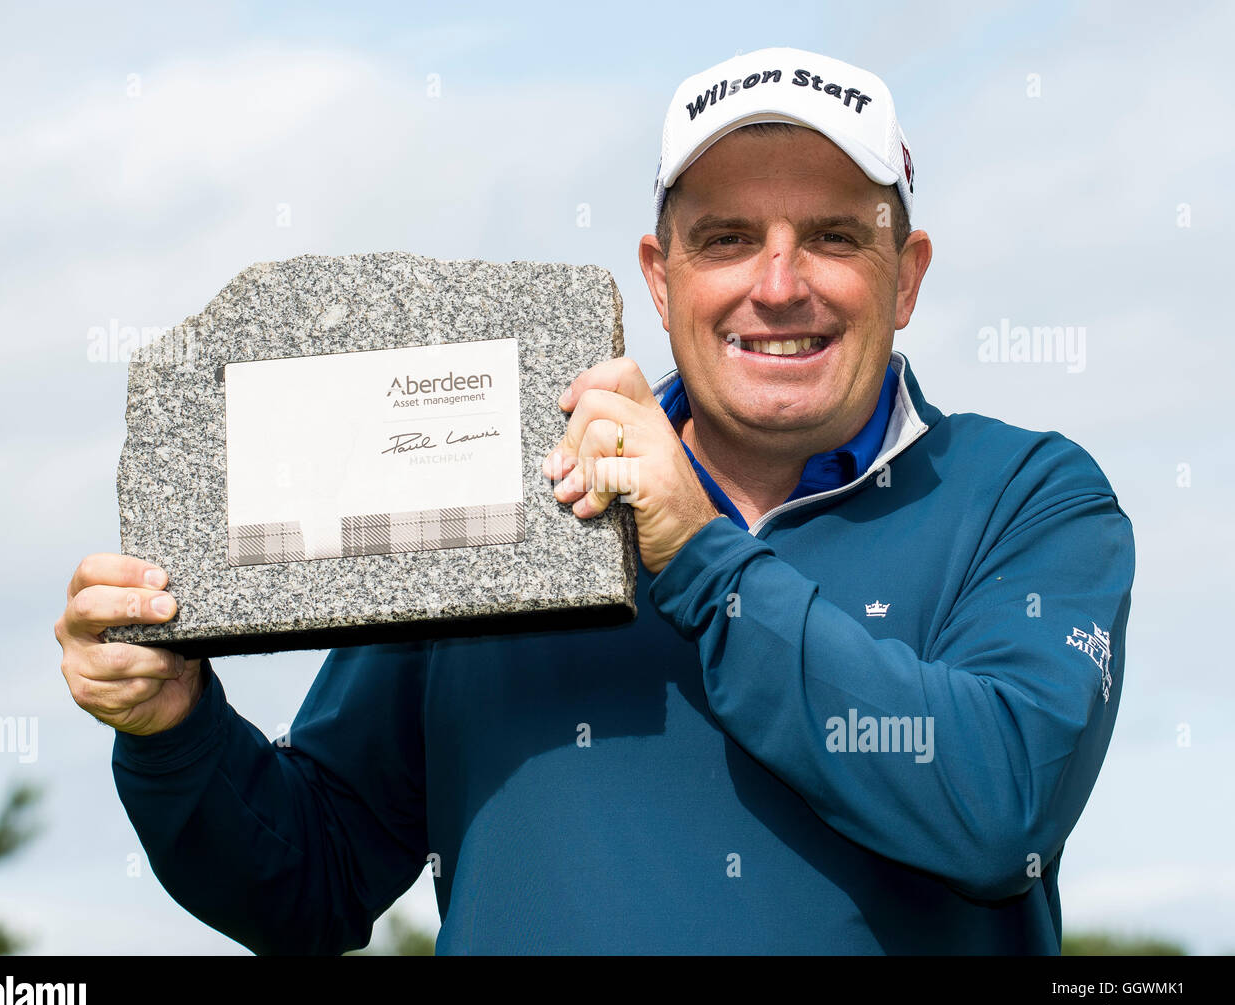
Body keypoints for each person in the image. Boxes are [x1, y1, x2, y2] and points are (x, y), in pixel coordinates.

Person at [55, 46, 1134, 954]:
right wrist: (175, 731)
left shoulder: (1028, 498)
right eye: (724, 238)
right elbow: (312, 877)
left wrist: (702, 557)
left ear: (907, 274)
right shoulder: (512, 491)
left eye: (833, 235)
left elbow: (997, 810)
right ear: (658, 279)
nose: (776, 281)